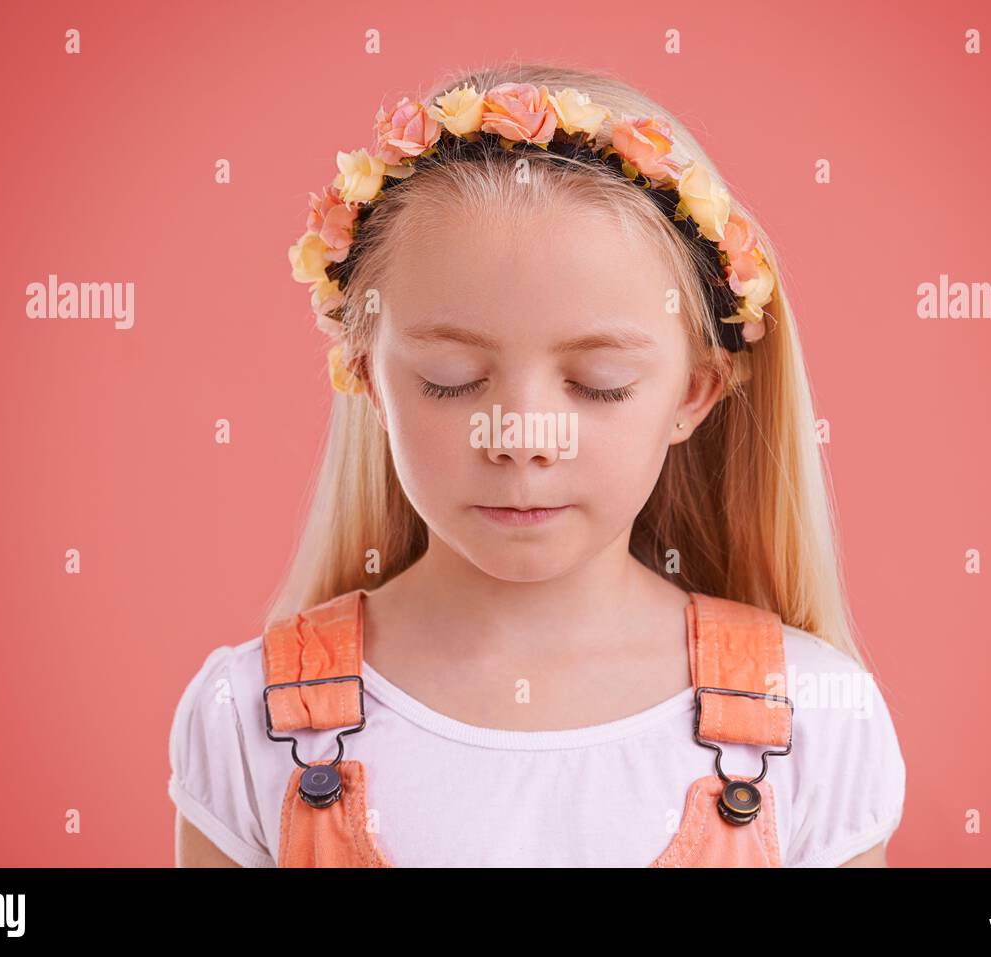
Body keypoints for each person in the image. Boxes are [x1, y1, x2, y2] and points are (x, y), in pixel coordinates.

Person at [168, 59, 905, 867]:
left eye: (600, 385)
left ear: (694, 393)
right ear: (369, 376)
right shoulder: (247, 722)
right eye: (452, 380)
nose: (521, 435)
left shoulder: (816, 720)